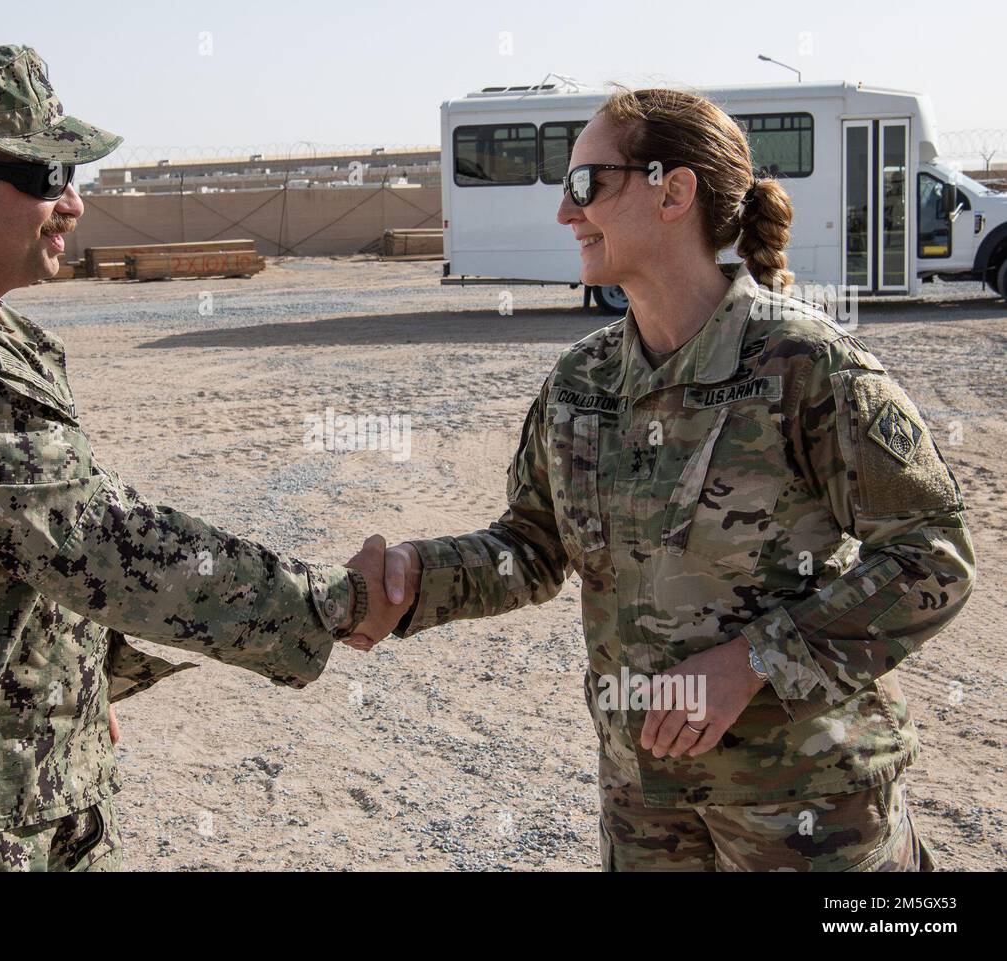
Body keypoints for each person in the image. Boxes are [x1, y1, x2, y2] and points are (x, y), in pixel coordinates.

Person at [0, 44, 393, 872]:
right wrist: (331, 602)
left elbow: (11, 557)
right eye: (47, 174)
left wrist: (82, 682)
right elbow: (109, 546)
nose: (71, 202)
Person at [353, 87, 975, 871]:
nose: (565, 213)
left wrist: (754, 661)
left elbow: (935, 555)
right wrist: (418, 575)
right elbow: (533, 549)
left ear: (674, 191)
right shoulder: (581, 382)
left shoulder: (805, 368)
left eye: (587, 185)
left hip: (808, 808)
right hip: (644, 802)